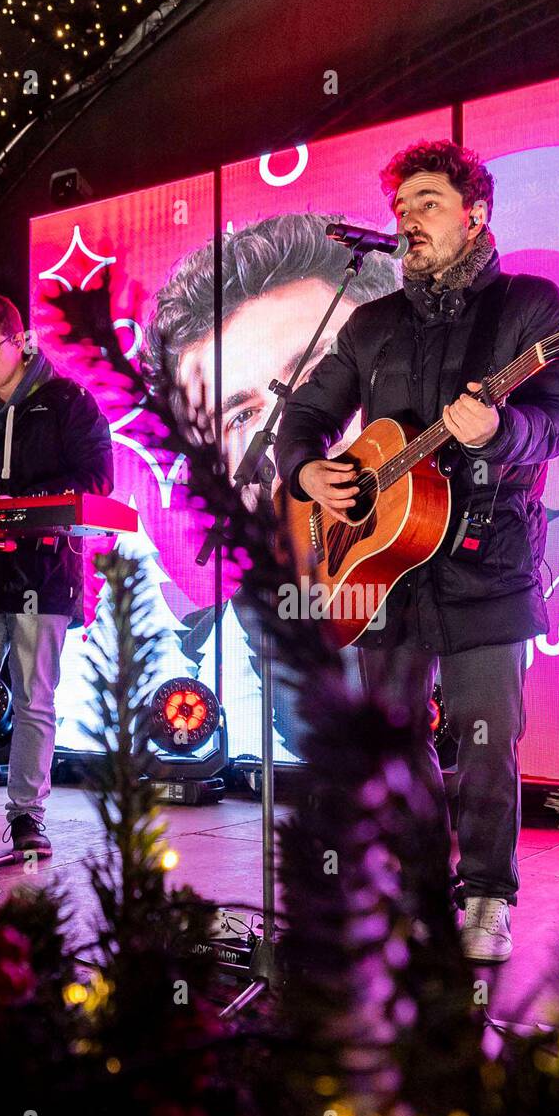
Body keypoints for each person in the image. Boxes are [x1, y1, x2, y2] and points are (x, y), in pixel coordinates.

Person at [274, 140, 559, 962]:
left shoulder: (528, 305)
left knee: (488, 735)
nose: (407, 220)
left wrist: (505, 428)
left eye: (427, 204)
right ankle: (418, 890)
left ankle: (487, 894)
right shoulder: (371, 322)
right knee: (395, 736)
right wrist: (309, 472)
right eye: (401, 207)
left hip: (489, 563)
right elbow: (302, 419)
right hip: (383, 571)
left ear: (475, 213)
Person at [143, 213, 398, 761]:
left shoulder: (488, 593)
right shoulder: (191, 665)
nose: (283, 433)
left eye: (319, 378)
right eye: (240, 416)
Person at [0, 291, 113, 856]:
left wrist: (27, 502)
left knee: (35, 699)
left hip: (46, 571)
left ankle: (27, 816)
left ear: (20, 341)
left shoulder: (66, 401)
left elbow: (97, 481)